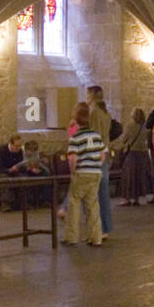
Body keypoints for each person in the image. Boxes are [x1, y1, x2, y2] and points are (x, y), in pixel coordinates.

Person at [63, 102, 105, 247]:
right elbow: (102, 155)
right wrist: (96, 165)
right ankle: (96, 237)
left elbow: (73, 158)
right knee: (93, 205)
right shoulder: (96, 135)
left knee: (74, 204)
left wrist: (73, 171)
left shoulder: (76, 137)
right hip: (96, 173)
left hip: (81, 173)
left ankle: (72, 237)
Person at [87, 86, 114, 236]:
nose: (86, 97)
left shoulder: (95, 113)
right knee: (102, 193)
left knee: (97, 194)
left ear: (92, 96)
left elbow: (95, 136)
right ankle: (104, 228)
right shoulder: (105, 113)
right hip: (105, 153)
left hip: (97, 155)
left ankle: (100, 228)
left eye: (88, 94)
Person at [113, 108, 153, 206]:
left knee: (129, 177)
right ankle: (137, 198)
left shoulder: (130, 126)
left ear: (134, 115)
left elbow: (123, 139)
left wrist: (112, 145)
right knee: (139, 177)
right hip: (143, 154)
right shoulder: (145, 127)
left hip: (133, 154)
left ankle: (128, 199)